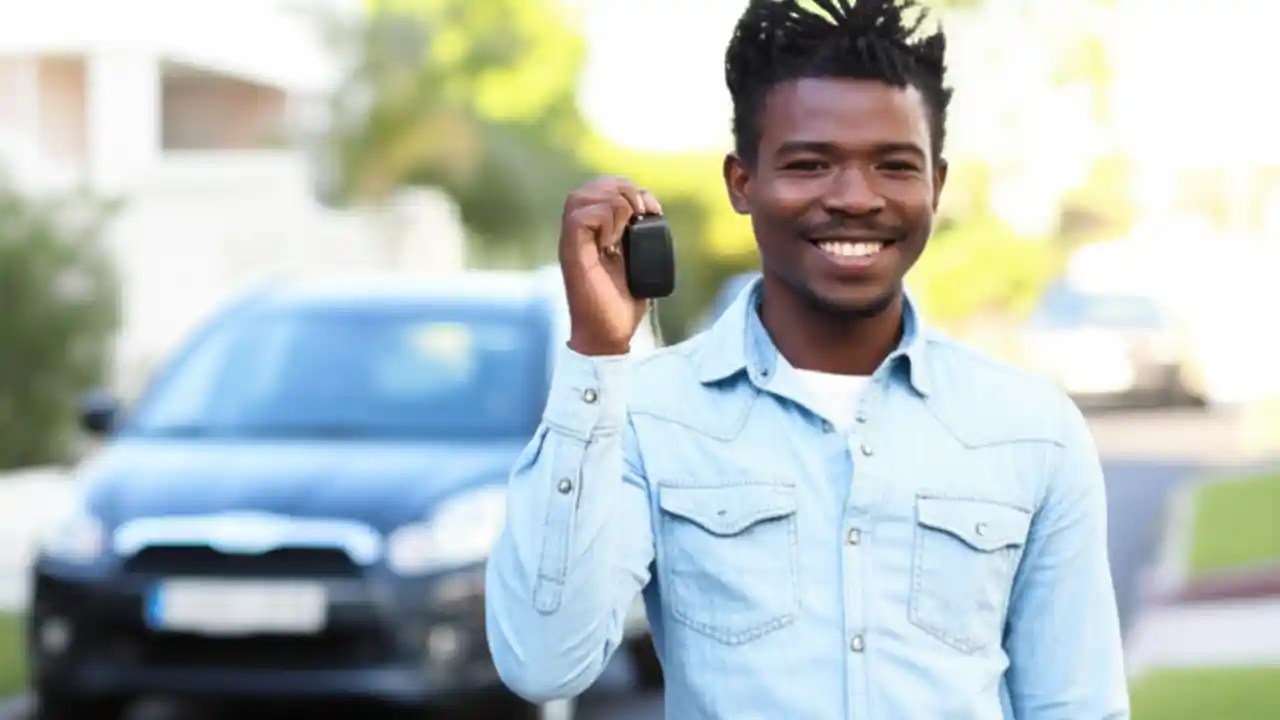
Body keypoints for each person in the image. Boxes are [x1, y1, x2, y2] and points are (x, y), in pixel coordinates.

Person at [484, 0, 1130, 717]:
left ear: (936, 186)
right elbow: (543, 663)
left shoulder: (1033, 430)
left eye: (894, 165)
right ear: (742, 182)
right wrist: (597, 354)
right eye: (810, 164)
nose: (855, 198)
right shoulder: (646, 416)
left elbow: (1077, 705)